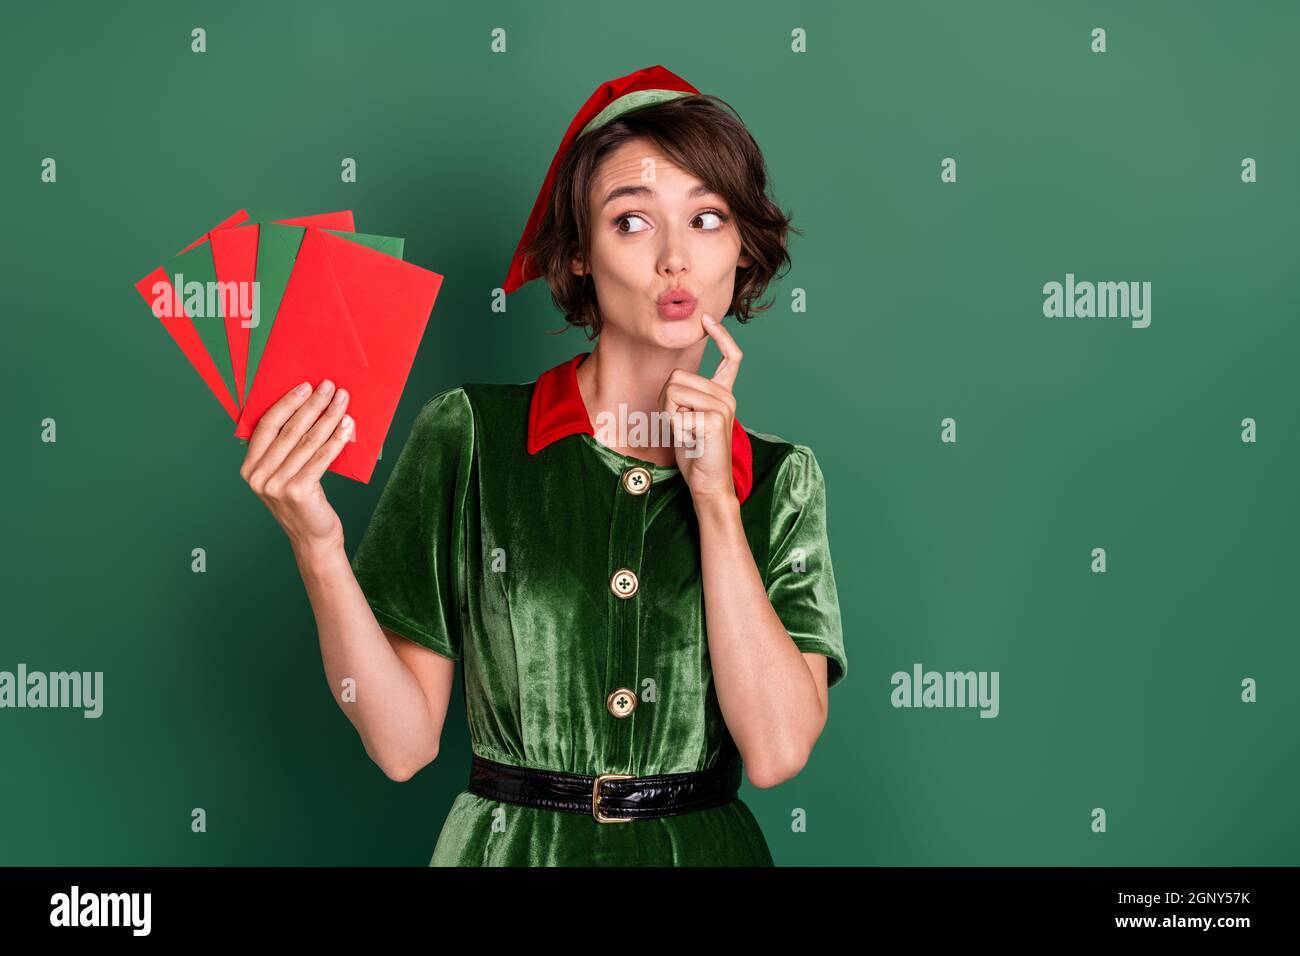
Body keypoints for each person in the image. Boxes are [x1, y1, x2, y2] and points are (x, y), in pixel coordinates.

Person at [240, 65, 847, 866]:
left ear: (742, 249)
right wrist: (317, 547)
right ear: (582, 256)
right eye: (631, 222)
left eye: (706, 218)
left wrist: (712, 498)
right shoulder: (471, 436)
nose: (675, 259)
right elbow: (401, 745)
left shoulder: (778, 480)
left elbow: (775, 752)